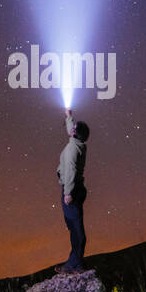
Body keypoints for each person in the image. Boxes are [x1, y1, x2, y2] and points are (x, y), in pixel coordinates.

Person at [56, 107, 89, 273]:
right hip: (78, 188)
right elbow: (73, 132)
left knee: (75, 228)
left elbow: (70, 171)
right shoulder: (79, 144)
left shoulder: (71, 150)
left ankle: (74, 264)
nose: (72, 128)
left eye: (74, 128)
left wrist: (67, 193)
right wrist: (69, 117)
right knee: (75, 225)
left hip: (72, 190)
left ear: (76, 133)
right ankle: (75, 261)